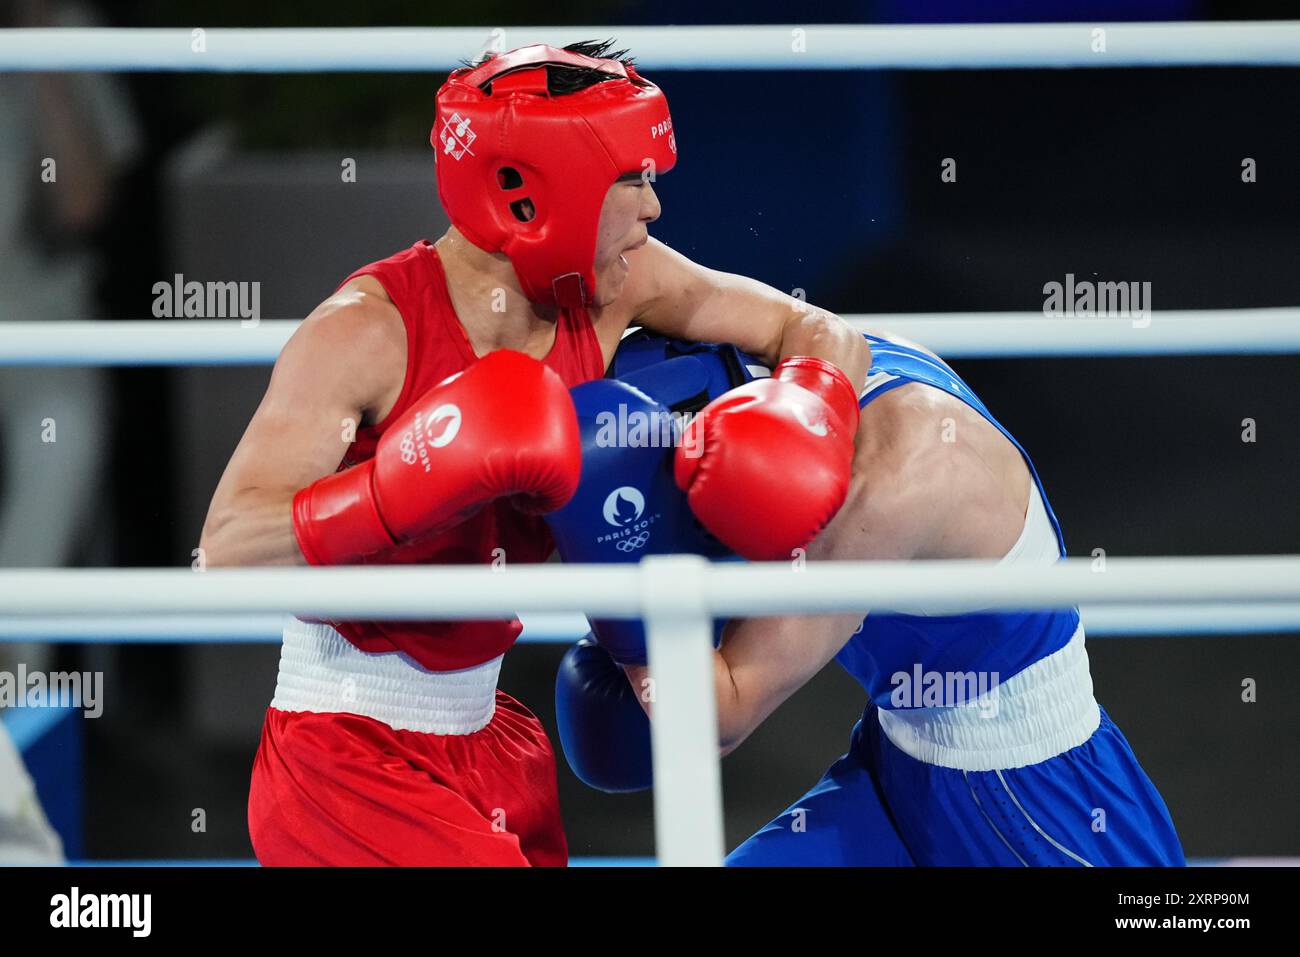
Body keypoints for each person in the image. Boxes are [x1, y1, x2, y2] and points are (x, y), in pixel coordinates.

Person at [200, 41, 870, 865]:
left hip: (490, 737)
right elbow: (226, 550)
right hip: (343, 752)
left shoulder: (619, 283)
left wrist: (811, 404)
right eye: (631, 181)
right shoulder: (366, 333)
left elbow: (819, 331)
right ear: (530, 196)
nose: (655, 208)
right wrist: (391, 490)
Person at [549, 329, 1186, 866]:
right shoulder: (813, 344)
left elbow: (716, 718)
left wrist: (626, 586)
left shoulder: (868, 501)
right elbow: (650, 274)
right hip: (896, 766)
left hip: (1037, 805)